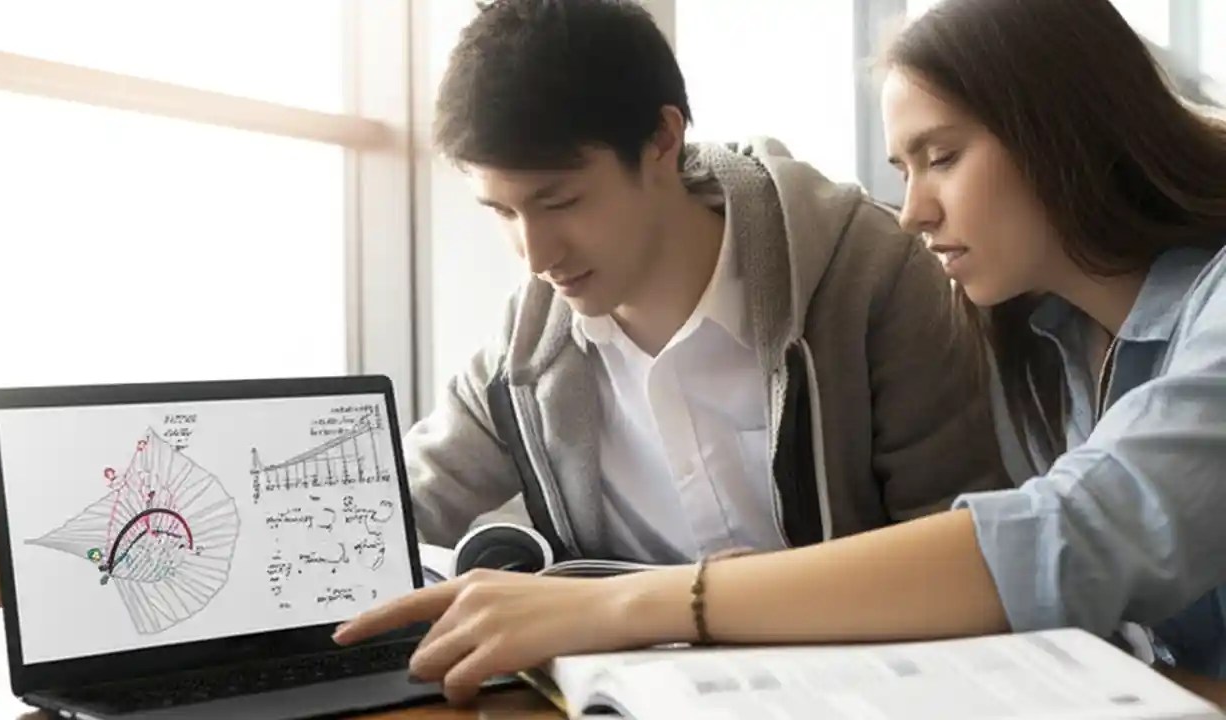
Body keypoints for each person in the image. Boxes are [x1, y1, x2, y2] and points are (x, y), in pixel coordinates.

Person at [334, 0, 1226, 703]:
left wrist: (616, 606)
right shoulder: (1054, 341)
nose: (912, 211)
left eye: (941, 156)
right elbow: (393, 506)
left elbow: (1058, 541)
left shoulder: (878, 278)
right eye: (902, 168)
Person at [404, 0, 1006, 569]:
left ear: (663, 141)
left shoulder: (869, 276)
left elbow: (958, 550)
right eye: (503, 214)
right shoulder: (528, 348)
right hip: (622, 677)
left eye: (560, 201)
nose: (535, 255)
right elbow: (399, 506)